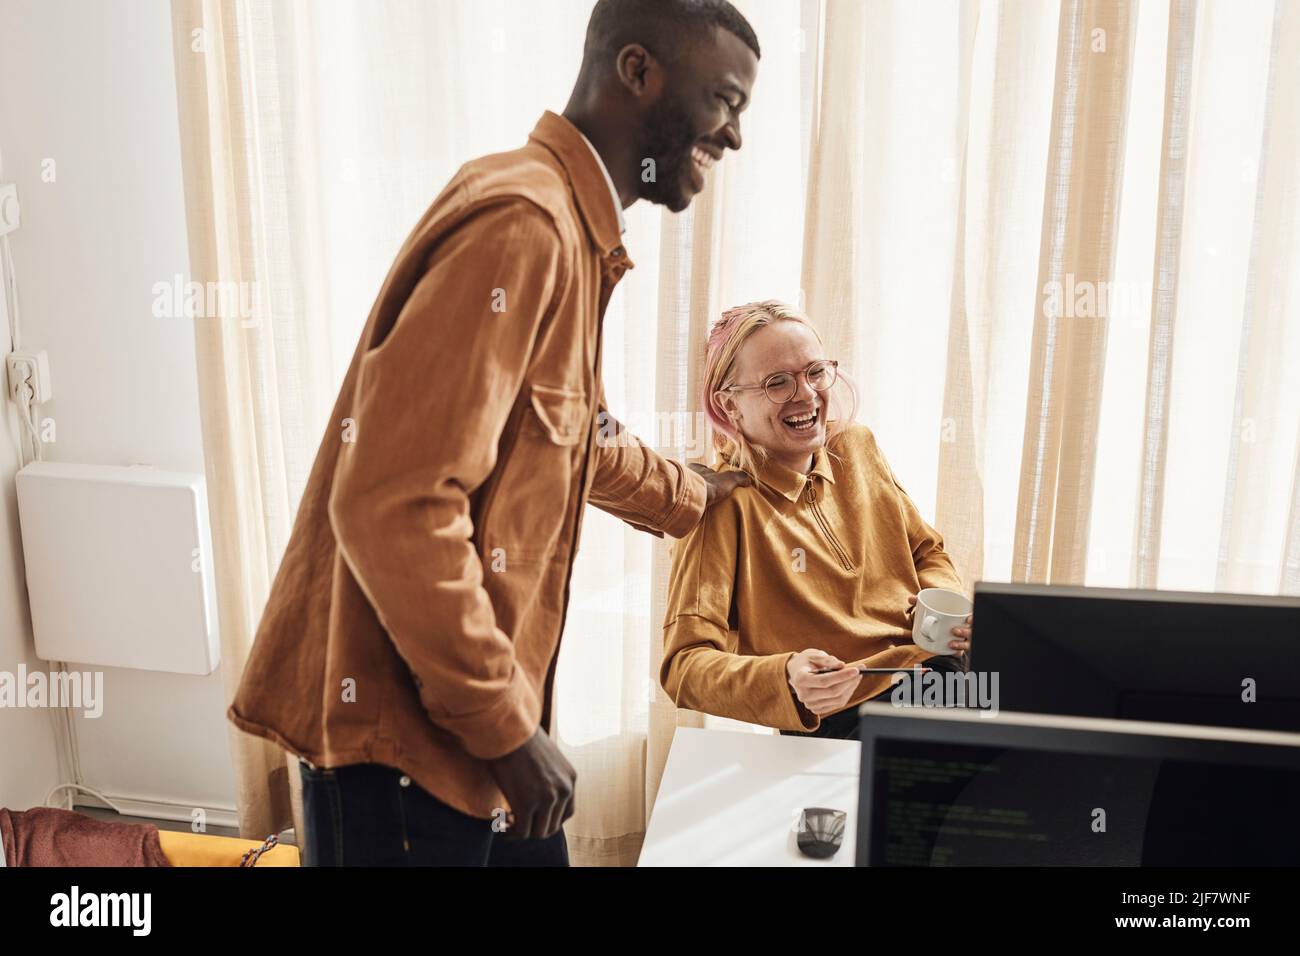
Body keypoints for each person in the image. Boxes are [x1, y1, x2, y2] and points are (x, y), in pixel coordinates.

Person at [227, 0, 761, 866]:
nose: (735, 135)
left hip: (474, 744)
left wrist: (694, 493)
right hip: (407, 754)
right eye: (726, 100)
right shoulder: (524, 223)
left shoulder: (571, 231)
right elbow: (392, 505)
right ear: (639, 71)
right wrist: (509, 730)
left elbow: (568, 433)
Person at [660, 300, 974, 741]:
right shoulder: (720, 505)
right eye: (777, 382)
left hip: (941, 673)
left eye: (815, 372)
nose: (806, 395)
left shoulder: (856, 446)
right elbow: (684, 667)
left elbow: (925, 549)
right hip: (852, 717)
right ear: (729, 405)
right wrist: (785, 676)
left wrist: (942, 602)